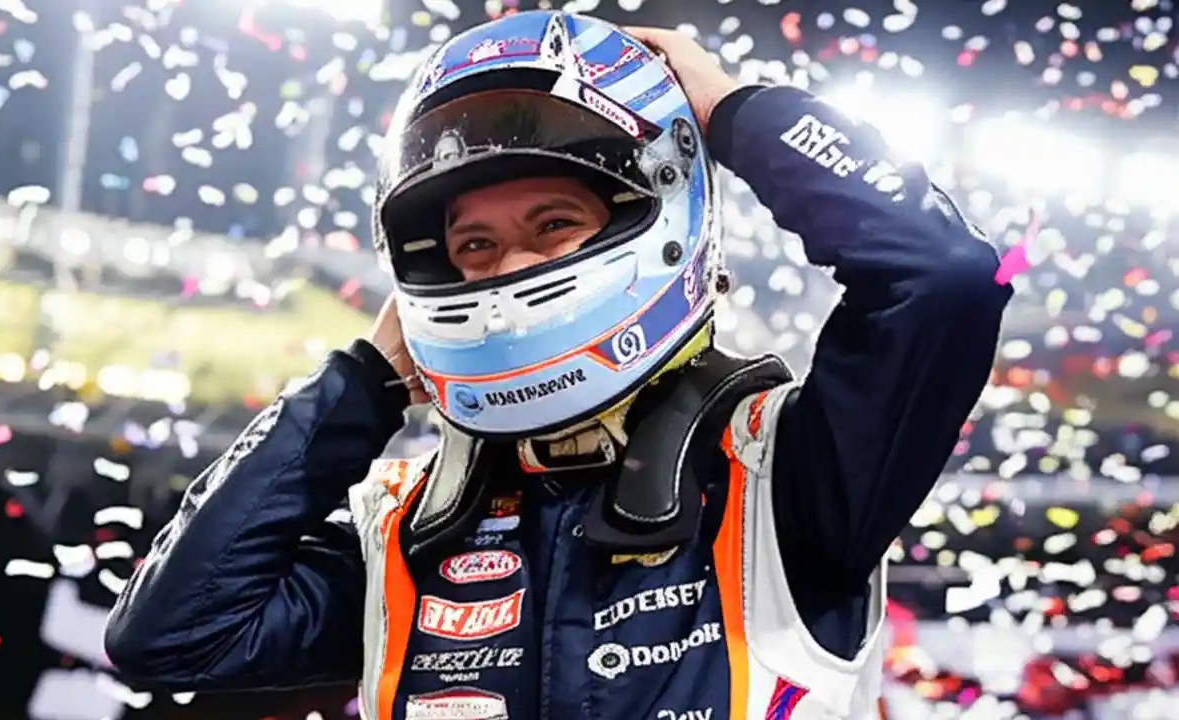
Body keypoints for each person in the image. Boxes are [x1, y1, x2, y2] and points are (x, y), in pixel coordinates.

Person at [104, 11, 1010, 720]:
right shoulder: (407, 530)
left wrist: (742, 115)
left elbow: (945, 277)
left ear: (651, 216)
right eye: (473, 245)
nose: (508, 269)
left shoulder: (785, 478)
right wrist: (360, 386)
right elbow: (170, 637)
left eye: (552, 226)